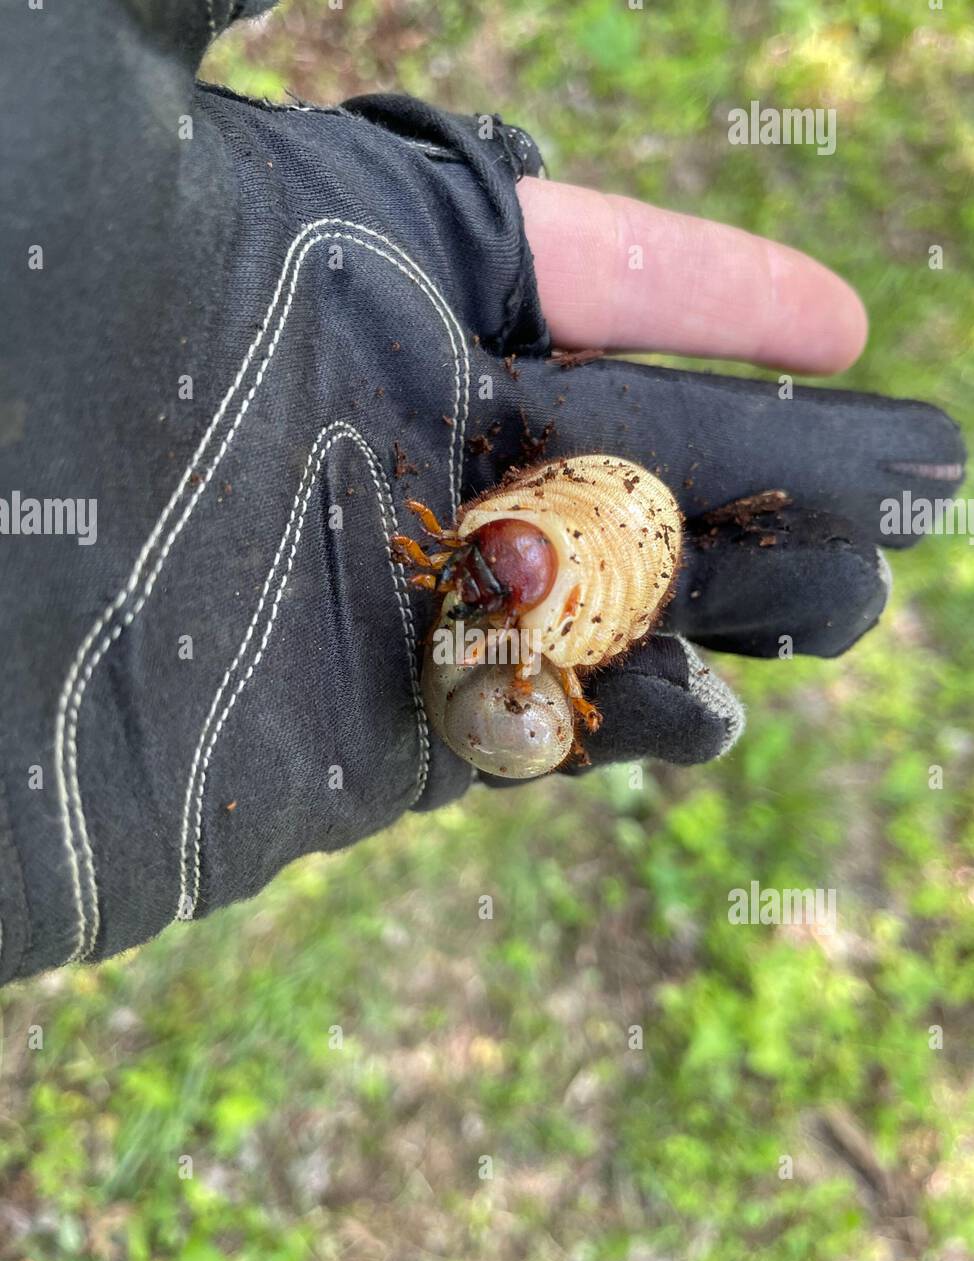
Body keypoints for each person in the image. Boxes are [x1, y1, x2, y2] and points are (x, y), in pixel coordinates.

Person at [0, 1, 963, 983]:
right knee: (502, 558)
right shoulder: (488, 615)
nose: (484, 563)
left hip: (553, 580)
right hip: (560, 569)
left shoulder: (487, 619)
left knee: (498, 558)